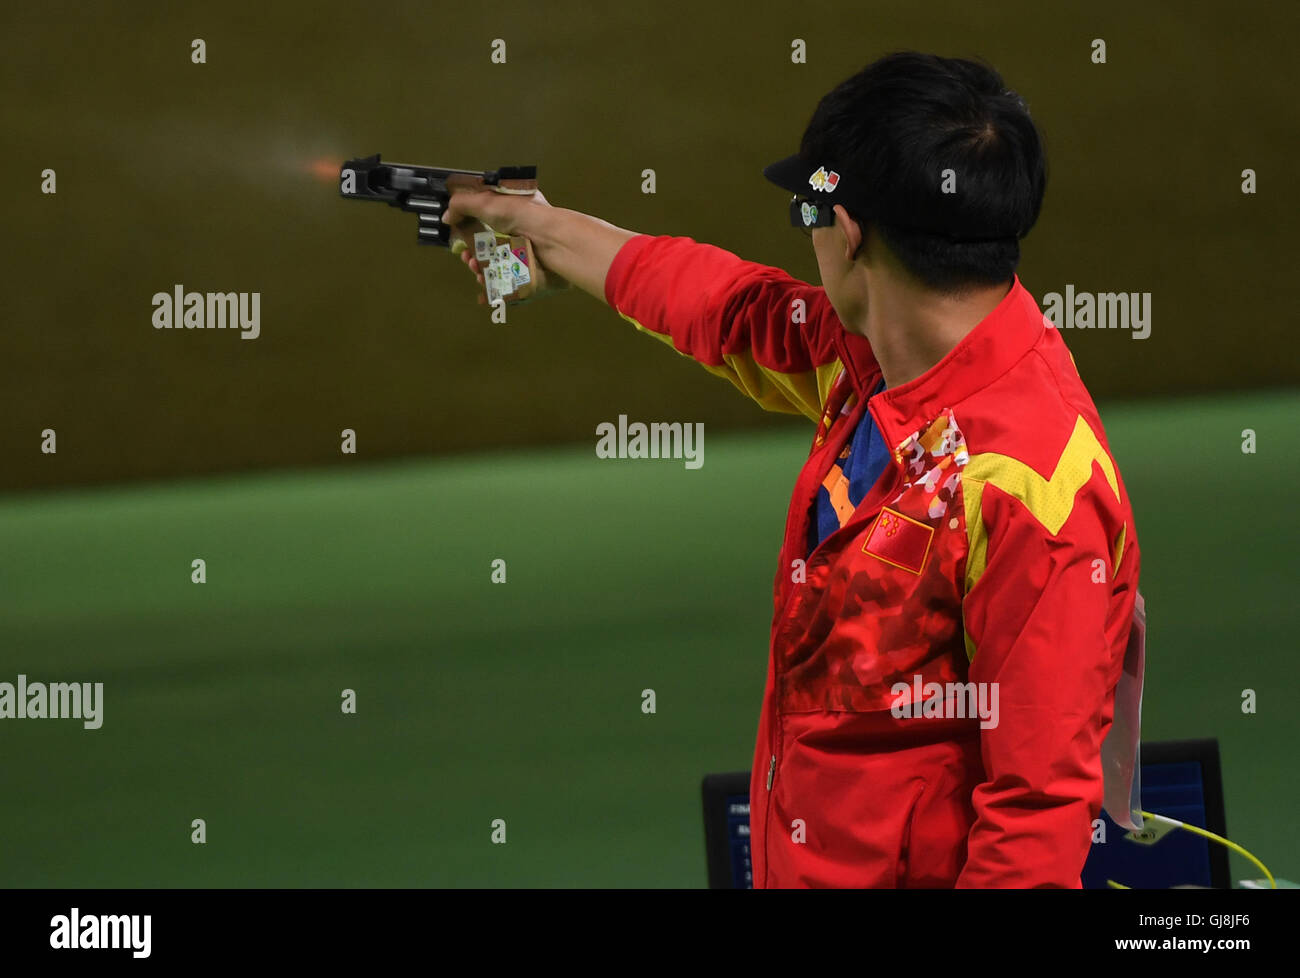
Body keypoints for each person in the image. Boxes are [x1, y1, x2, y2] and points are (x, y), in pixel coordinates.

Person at [441, 51, 1142, 888]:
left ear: (846, 229)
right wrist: (543, 231)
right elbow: (725, 306)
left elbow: (1037, 814)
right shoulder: (880, 359)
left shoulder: (1033, 486)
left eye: (805, 208)